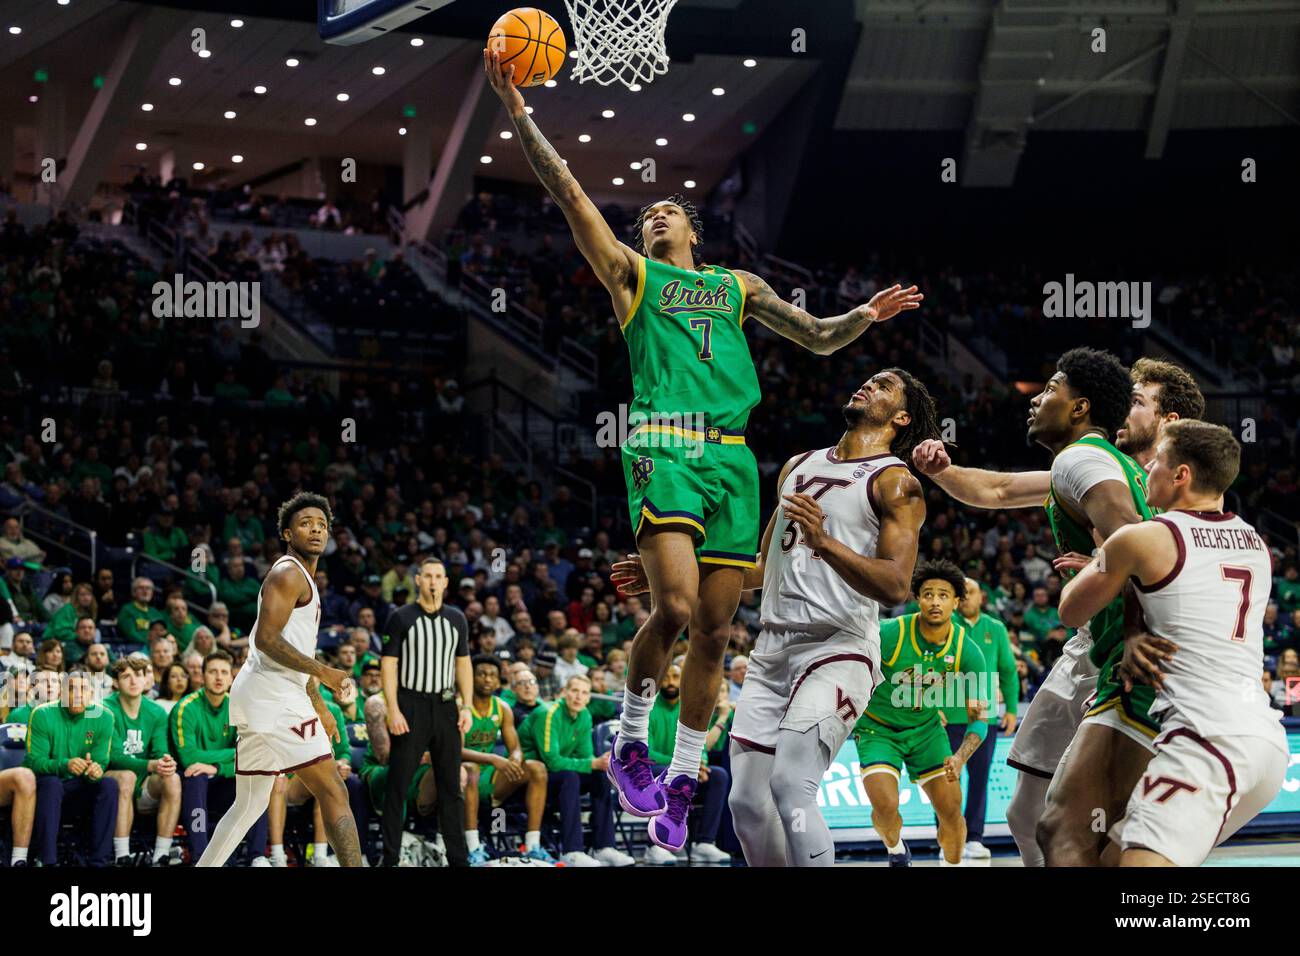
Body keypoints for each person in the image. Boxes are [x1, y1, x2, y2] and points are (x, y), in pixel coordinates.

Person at [484, 44, 925, 838]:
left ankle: (683, 779)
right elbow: (569, 193)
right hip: (663, 440)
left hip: (732, 454)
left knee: (719, 630)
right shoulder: (631, 276)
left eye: (668, 210)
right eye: (645, 213)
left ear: (694, 229)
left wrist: (865, 317)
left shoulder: (737, 288)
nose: (654, 215)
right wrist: (518, 111)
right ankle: (627, 743)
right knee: (677, 606)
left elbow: (819, 338)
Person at [616, 370, 936, 865]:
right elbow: (760, 568)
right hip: (771, 650)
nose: (868, 384)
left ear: (901, 417)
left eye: (885, 385)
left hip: (840, 645)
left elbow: (896, 585)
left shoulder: (896, 482)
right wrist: (675, 570)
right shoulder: (798, 465)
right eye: (869, 378)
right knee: (745, 802)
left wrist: (825, 543)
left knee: (791, 785)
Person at [911, 349, 1201, 866]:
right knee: (1028, 815)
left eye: (1137, 401)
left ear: (1167, 421)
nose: (1124, 411)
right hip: (1092, 645)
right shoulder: (1097, 463)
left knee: (1104, 822)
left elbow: (1157, 560)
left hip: (1137, 649)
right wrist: (943, 471)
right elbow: (999, 489)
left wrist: (1104, 566)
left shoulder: (1176, 485)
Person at [1058, 421, 1287, 866]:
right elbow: (1189, 601)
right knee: (1110, 860)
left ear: (1180, 475)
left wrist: (1105, 556)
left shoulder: (1142, 538)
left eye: (1156, 462)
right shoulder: (1256, 543)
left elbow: (1071, 610)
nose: (1145, 471)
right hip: (1264, 744)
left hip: (1204, 739)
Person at [196, 493, 359, 867]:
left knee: (249, 803)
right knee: (334, 789)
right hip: (274, 696)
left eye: (321, 523)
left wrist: (318, 705)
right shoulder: (288, 573)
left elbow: (293, 648)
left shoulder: (302, 578)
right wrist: (323, 671)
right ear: (288, 533)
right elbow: (266, 640)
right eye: (305, 523)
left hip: (264, 695)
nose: (316, 528)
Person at [854, 561, 988, 867]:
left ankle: (951, 864)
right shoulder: (889, 633)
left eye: (944, 595)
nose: (935, 601)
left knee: (952, 813)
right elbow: (851, 665)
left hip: (927, 731)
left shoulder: (969, 651)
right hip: (878, 730)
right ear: (918, 599)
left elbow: (980, 719)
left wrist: (960, 757)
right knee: (886, 806)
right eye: (928, 594)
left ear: (957, 601)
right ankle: (896, 850)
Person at [378, 558, 473, 868]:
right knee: (398, 785)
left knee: (451, 788)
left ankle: (459, 860)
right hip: (410, 704)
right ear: (417, 580)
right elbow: (388, 665)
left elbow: (463, 664)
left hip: (446, 707)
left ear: (446, 582)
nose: (433, 581)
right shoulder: (400, 617)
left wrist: (467, 705)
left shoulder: (457, 618)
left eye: (438, 576)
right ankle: (390, 858)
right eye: (427, 576)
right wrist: (393, 709)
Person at [516, 675, 634, 867]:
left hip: (555, 777)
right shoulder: (549, 713)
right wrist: (591, 763)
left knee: (600, 774)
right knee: (570, 777)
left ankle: (604, 847)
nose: (579, 697)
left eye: (584, 693)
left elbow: (586, 757)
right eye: (574, 691)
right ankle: (571, 851)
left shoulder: (585, 715)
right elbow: (552, 762)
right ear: (564, 693)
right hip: (529, 780)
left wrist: (601, 762)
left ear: (589, 698)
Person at [172, 650, 269, 864]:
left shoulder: (238, 706)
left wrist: (217, 767)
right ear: (202, 675)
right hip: (194, 783)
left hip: (224, 778)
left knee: (257, 778)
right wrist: (230, 756)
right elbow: (189, 757)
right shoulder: (185, 708)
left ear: (231, 677)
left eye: (224, 672)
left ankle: (257, 857)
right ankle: (201, 856)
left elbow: (249, 754)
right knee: (195, 776)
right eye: (213, 672)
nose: (218, 677)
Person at [460, 655, 551, 864]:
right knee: (471, 767)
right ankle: (474, 848)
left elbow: (515, 748)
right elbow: (453, 751)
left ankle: (533, 845)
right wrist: (494, 759)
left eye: (492, 675)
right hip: (462, 774)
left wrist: (515, 760)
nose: (488, 679)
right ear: (471, 677)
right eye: (482, 674)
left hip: (491, 775)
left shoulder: (502, 707)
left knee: (536, 768)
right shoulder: (460, 706)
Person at [951, 576, 1018, 859]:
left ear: (982, 598)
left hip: (985, 717)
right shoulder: (945, 624)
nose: (966, 597)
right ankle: (950, 837)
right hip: (948, 714)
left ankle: (974, 837)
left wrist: (1012, 709)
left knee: (979, 778)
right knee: (947, 779)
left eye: (972, 592)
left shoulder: (996, 628)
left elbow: (1008, 670)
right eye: (962, 593)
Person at [26, 671, 119, 866]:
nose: (77, 694)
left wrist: (95, 771)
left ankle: (99, 862)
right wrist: (64, 764)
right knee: (51, 784)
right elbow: (35, 761)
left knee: (109, 785)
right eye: (71, 688)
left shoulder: (105, 717)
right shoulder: (42, 714)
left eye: (83, 689)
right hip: (47, 790)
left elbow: (101, 761)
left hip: (80, 788)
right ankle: (48, 861)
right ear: (61, 692)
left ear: (91, 693)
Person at [642, 664, 730, 864]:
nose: (671, 682)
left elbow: (699, 743)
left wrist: (701, 764)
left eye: (676, 677)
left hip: (685, 768)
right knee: (665, 774)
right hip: (654, 769)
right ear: (659, 681)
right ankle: (653, 846)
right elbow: (646, 752)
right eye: (666, 677)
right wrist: (682, 765)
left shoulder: (691, 706)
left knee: (718, 776)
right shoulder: (650, 707)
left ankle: (704, 843)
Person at [103, 657, 182, 865]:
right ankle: (122, 855)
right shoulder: (104, 709)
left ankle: (162, 854)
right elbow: (113, 757)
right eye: (126, 676)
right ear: (115, 682)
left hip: (144, 784)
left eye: (138, 675)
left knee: (172, 778)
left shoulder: (156, 711)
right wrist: (149, 765)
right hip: (110, 781)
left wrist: (165, 762)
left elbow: (160, 751)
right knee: (127, 777)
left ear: (147, 679)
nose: (133, 681)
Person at [117, 577, 163, 645]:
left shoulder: (156, 613)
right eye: (141, 588)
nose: (145, 591)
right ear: (134, 592)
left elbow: (163, 632)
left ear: (152, 593)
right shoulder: (127, 610)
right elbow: (131, 634)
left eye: (148, 588)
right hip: (137, 647)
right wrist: (150, 643)